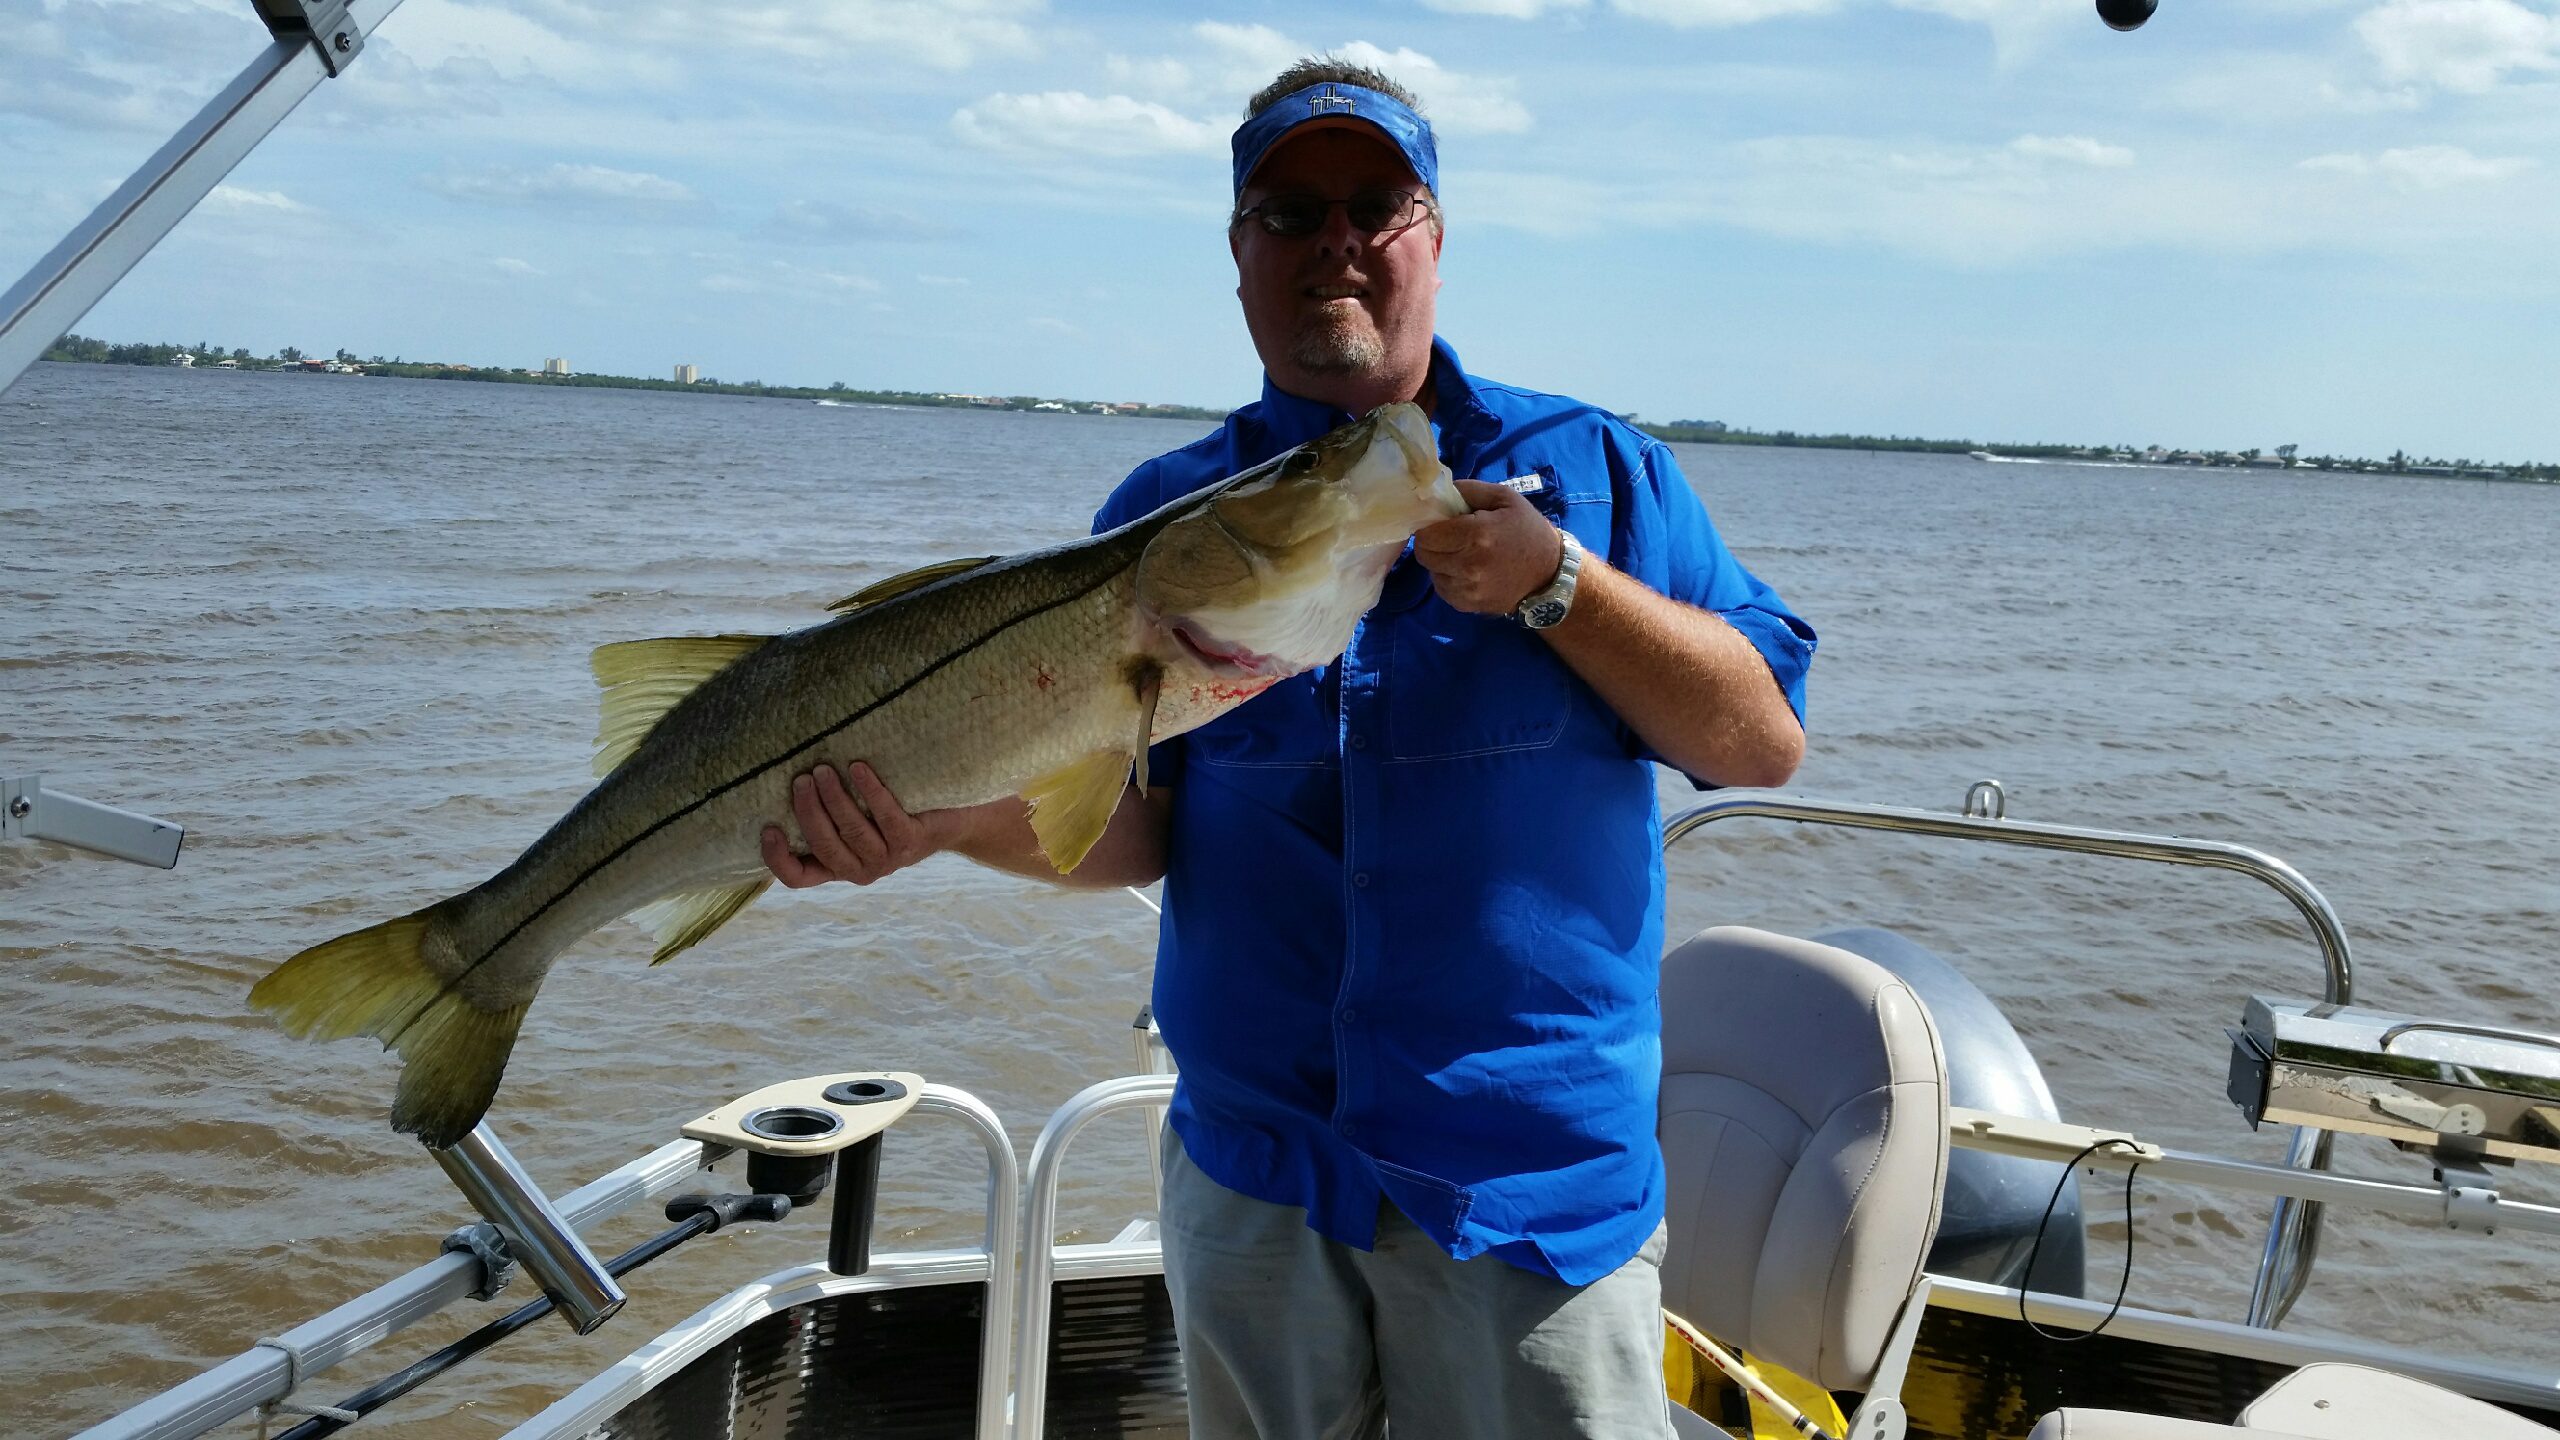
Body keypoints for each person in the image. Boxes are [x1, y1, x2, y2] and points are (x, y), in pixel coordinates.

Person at [762, 57, 1813, 1440]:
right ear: (1240, 255)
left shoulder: (1604, 472)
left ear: (1434, 236)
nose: (1338, 240)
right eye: (1290, 208)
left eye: (1377, 203)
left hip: (1527, 1195)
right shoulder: (1161, 517)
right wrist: (942, 820)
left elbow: (1758, 741)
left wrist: (1563, 587)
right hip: (1259, 1175)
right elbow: (1134, 827)